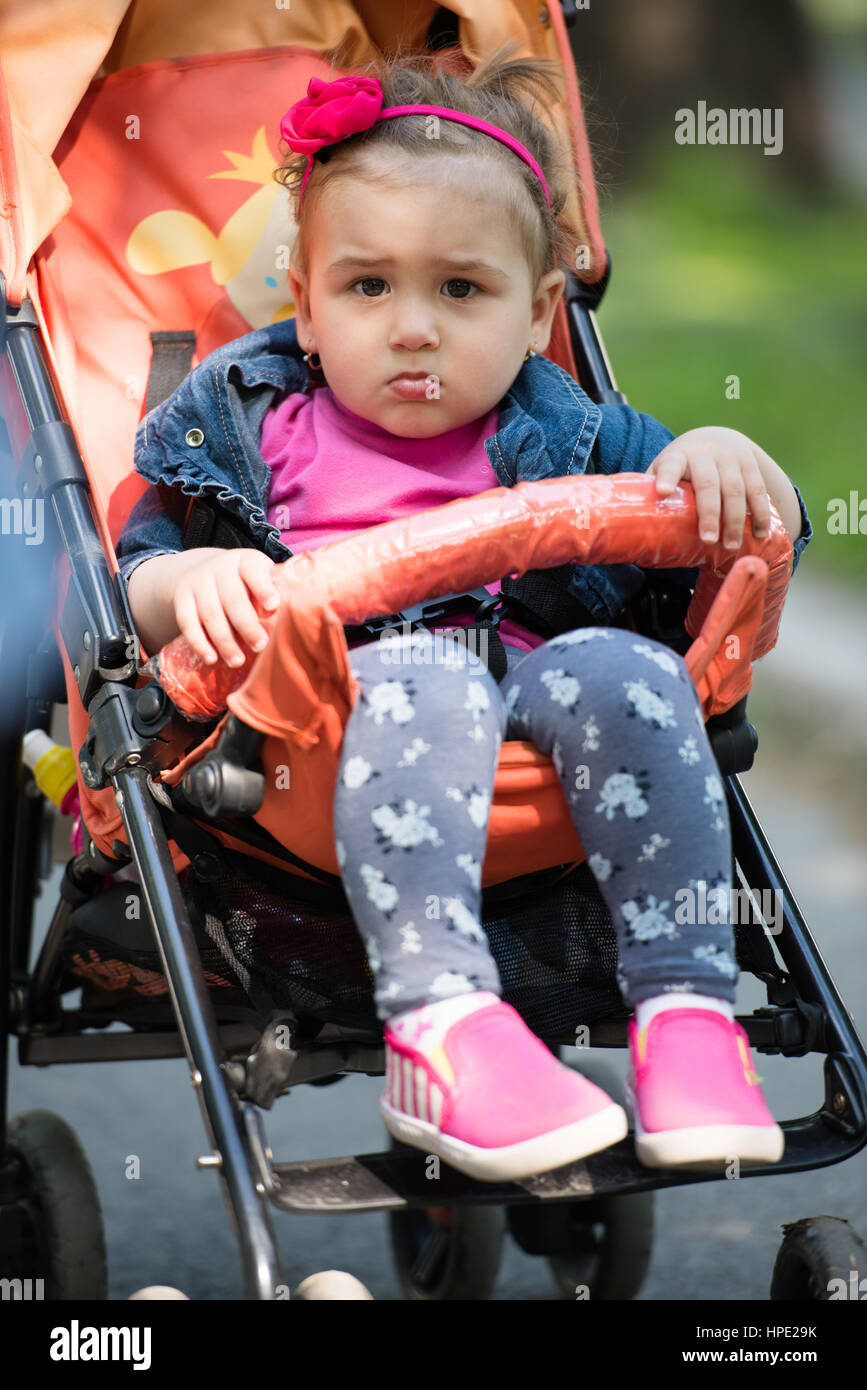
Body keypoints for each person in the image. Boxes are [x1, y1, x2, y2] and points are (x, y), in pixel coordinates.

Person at [117, 44, 812, 1183]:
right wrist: (182, 586)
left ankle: (687, 1014)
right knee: (426, 676)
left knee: (628, 671)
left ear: (540, 311)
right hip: (312, 741)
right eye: (367, 285)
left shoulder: (572, 429)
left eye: (461, 289)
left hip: (542, 746)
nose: (412, 328)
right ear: (305, 301)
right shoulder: (251, 426)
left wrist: (725, 465)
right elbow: (133, 575)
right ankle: (441, 1026)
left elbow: (737, 543)